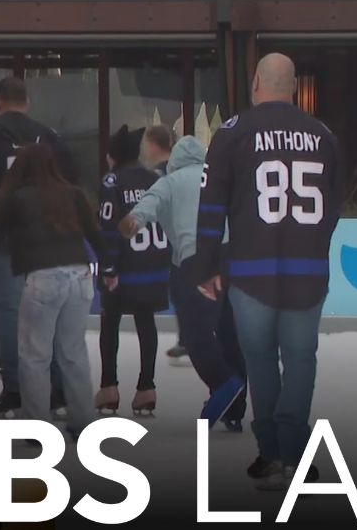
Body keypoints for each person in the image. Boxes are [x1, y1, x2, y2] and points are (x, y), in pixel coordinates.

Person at [195, 53, 344, 492]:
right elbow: (332, 207)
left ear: (256, 81)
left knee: (260, 359)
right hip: (307, 269)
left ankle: (271, 451)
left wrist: (206, 265)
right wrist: (314, 243)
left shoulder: (232, 132)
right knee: (300, 360)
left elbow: (211, 206)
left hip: (249, 270)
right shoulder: (322, 135)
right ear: (295, 86)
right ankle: (294, 451)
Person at [0, 77, 75, 417]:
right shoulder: (49, 138)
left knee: (10, 313)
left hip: (1, 240)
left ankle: (17, 390)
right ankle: (57, 390)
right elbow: (71, 180)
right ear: (27, 101)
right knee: (48, 315)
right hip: (46, 239)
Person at [119, 135, 248, 431]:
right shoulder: (217, 176)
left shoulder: (170, 181)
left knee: (195, 334)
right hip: (232, 259)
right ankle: (235, 409)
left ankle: (223, 383)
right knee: (229, 332)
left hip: (196, 260)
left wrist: (133, 221)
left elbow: (149, 204)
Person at [0, 143, 103, 437]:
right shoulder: (73, 194)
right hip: (80, 275)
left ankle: (39, 428)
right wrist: (110, 269)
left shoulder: (16, 199)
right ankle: (83, 420)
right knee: (73, 352)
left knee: (35, 355)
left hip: (43, 278)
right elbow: (95, 235)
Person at [96, 125, 172, 416]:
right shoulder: (155, 178)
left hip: (124, 267)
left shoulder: (112, 181)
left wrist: (110, 267)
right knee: (145, 321)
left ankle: (109, 387)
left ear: (112, 156)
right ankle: (146, 388)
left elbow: (109, 228)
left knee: (110, 322)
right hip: (152, 265)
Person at [143, 124, 190, 365]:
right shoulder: (180, 170)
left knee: (184, 290)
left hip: (178, 241)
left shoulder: (159, 176)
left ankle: (191, 338)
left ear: (152, 145)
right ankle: (189, 337)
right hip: (184, 239)